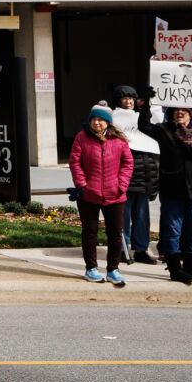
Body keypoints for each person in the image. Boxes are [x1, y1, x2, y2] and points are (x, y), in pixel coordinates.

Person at [70, 104, 133, 286]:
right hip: (89, 195)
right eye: (93, 119)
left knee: (115, 233)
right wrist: (82, 184)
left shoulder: (119, 140)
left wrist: (121, 185)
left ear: (108, 122)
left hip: (115, 195)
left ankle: (113, 269)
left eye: (100, 120)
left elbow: (128, 163)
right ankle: (91, 268)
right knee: (89, 232)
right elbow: (75, 162)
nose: (96, 123)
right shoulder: (82, 138)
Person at [148, 105, 192, 285]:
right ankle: (175, 269)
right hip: (172, 189)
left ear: (191, 114)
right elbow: (143, 125)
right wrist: (146, 104)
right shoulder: (164, 131)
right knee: (173, 230)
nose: (180, 112)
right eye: (176, 110)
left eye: (184, 110)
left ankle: (191, 268)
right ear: (171, 113)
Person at [111, 85, 161, 265]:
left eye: (131, 98)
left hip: (144, 178)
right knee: (123, 217)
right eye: (124, 98)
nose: (128, 101)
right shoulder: (112, 120)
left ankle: (140, 249)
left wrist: (148, 103)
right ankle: (122, 249)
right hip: (124, 179)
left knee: (142, 217)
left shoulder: (143, 122)